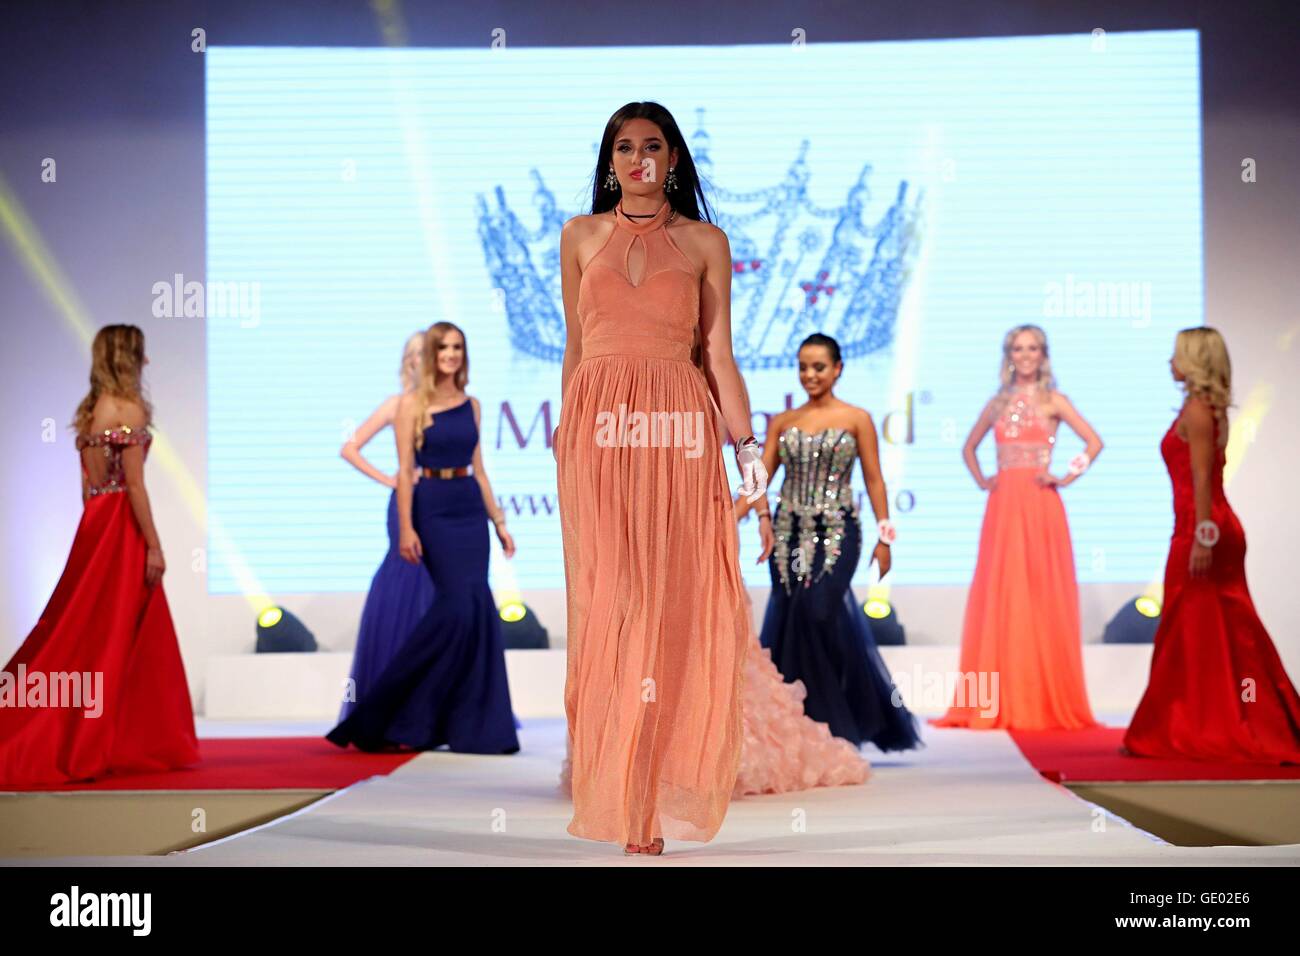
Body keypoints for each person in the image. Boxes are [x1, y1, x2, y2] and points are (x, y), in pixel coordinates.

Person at [554, 101, 769, 856]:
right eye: (624, 147)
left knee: (669, 616)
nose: (638, 158)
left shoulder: (706, 241)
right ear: (609, 160)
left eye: (652, 145)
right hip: (599, 436)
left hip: (679, 433)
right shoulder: (579, 237)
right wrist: (563, 440)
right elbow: (576, 349)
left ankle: (643, 799)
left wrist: (748, 456)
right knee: (613, 606)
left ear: (673, 157)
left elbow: (719, 355)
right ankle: (620, 789)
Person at [558, 330, 869, 803]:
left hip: (695, 498)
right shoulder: (616, 374)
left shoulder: (703, 359)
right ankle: (635, 762)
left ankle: (705, 755)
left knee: (702, 629)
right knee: (634, 624)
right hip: (635, 493)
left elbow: (748, 450)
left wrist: (760, 511)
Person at [0, 324, 198, 786]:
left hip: (96, 524)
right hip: (120, 529)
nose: (147, 363)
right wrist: (153, 543)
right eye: (141, 354)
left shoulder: (92, 409)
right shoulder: (129, 407)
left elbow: (89, 487)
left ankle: (85, 733)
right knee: (113, 635)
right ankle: (97, 743)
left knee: (80, 631)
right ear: (128, 358)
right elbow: (134, 484)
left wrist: (99, 525)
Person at [326, 322, 519, 755]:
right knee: (454, 609)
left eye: (457, 347)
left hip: (469, 506)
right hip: (431, 506)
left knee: (476, 610)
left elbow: (481, 470)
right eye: (443, 347)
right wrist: (408, 527)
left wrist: (499, 522)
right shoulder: (411, 405)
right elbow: (405, 475)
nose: (451, 354)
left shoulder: (473, 405)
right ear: (431, 354)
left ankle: (477, 726)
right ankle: (387, 712)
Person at [737, 333, 922, 751]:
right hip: (788, 534)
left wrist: (885, 538)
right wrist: (728, 515)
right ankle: (799, 727)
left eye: (818, 366)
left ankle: (837, 720)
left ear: (838, 368)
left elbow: (874, 478)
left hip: (838, 530)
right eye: (803, 367)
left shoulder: (856, 418)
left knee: (819, 612)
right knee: (790, 617)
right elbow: (760, 480)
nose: (809, 375)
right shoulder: (784, 422)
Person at [1124, 327, 1300, 762]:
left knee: (1214, 631)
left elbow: (1203, 477)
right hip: (1202, 527)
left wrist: (1202, 536)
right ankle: (1214, 719)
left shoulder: (1200, 410)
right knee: (1210, 632)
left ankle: (1231, 723)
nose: (1170, 362)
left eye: (1176, 355)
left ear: (1194, 361)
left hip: (1203, 530)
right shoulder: (1201, 406)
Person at [931, 324, 1101, 730]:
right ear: (1008, 355)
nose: (1025, 355)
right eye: (1018, 348)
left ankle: (1041, 698)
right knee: (1003, 593)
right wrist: (983, 480)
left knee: (1041, 593)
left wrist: (1066, 476)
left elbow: (1093, 443)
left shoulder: (1054, 400)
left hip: (1042, 505)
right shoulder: (997, 403)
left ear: (1044, 354)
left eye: (1033, 348)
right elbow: (968, 448)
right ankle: (1000, 698)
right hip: (1005, 504)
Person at [336, 332, 435, 722]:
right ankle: (394, 704)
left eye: (422, 354)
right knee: (406, 575)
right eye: (410, 354)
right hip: (407, 502)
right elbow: (349, 448)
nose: (416, 361)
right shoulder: (396, 404)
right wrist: (390, 480)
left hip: (441, 502)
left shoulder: (445, 404)